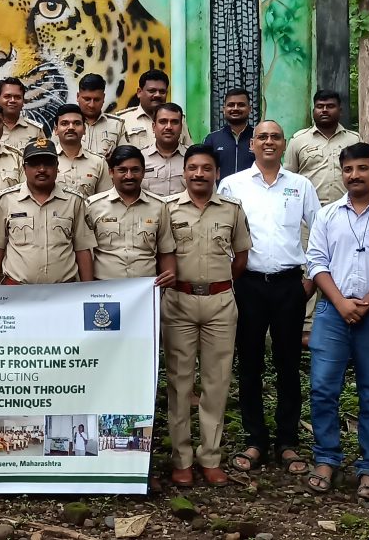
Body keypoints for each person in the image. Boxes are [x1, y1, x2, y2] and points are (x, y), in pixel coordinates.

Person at [303, 143, 369, 502]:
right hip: (333, 313)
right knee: (322, 388)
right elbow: (316, 261)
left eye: (362, 168)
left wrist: (367, 302)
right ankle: (326, 458)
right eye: (348, 169)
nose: (354, 175)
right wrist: (340, 302)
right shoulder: (328, 214)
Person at [219, 120, 319, 477]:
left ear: (284, 143)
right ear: (252, 145)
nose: (269, 142)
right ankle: (255, 438)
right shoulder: (232, 185)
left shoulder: (301, 186)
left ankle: (288, 440)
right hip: (248, 285)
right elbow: (222, 235)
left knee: (288, 365)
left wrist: (310, 278)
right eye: (262, 136)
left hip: (291, 285)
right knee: (249, 364)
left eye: (275, 136)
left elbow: (318, 231)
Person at [164, 144, 251, 487]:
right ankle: (182, 459)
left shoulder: (232, 210)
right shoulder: (167, 209)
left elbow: (241, 257)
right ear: (184, 172)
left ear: (217, 173)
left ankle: (211, 457)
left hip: (219, 303)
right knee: (179, 383)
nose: (199, 174)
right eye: (193, 168)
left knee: (216, 383)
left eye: (206, 168)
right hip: (178, 303)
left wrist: (218, 284)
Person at [0, 138, 95, 285]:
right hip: (18, 291)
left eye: (48, 163)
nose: (42, 169)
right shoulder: (6, 200)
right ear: (24, 168)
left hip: (63, 294)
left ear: (57, 166)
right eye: (35, 163)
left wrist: (88, 292)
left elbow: (83, 249)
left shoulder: (74, 201)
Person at [85, 145, 176, 286]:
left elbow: (166, 251)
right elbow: (85, 253)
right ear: (110, 172)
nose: (129, 176)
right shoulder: (93, 206)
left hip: (144, 291)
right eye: (122, 170)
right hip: (104, 290)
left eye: (135, 170)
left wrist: (169, 277)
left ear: (143, 172)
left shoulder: (159, 206)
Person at [284, 90, 362, 206]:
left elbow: (364, 175)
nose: (324, 110)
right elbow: (288, 179)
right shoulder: (298, 140)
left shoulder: (354, 140)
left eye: (330, 106)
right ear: (313, 111)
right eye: (320, 106)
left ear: (340, 111)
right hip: (309, 213)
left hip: (347, 211)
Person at [117, 70, 191, 151]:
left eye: (162, 91)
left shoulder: (177, 119)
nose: (157, 95)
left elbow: (189, 152)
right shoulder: (123, 121)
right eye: (152, 91)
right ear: (139, 92)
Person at [52, 104, 113, 198]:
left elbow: (105, 201)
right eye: (65, 123)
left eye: (77, 123)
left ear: (84, 129)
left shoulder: (99, 162)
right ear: (56, 130)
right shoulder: (47, 161)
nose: (71, 127)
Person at [200, 88, 255, 180]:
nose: (235, 108)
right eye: (231, 105)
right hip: (220, 193)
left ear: (250, 109)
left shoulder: (259, 138)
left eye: (241, 105)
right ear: (224, 109)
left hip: (251, 193)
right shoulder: (212, 139)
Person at [139, 102, 187, 197]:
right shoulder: (140, 158)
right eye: (163, 121)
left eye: (174, 122)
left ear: (181, 127)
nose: (168, 127)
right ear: (153, 127)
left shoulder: (192, 157)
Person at [76, 73, 127, 157]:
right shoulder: (65, 125)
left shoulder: (117, 125)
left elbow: (125, 159)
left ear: (103, 98)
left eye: (96, 100)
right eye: (87, 99)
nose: (91, 105)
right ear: (78, 96)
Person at [0, 77, 45, 151]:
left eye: (17, 97)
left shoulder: (35, 130)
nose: (12, 100)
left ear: (23, 102)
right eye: (7, 96)